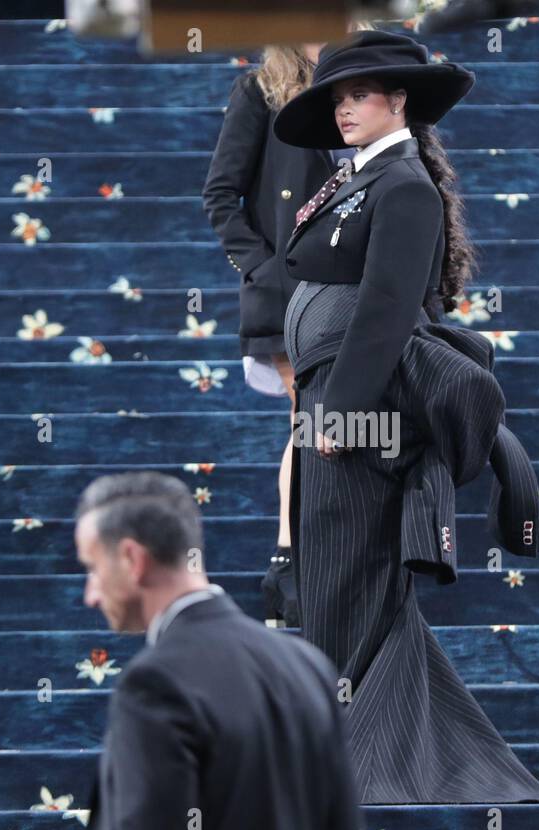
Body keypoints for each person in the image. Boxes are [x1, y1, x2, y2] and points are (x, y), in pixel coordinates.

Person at [273, 30, 539, 804]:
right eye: (336, 97)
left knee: (348, 581)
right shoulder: (362, 180)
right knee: (335, 581)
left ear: (398, 100)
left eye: (358, 95)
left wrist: (339, 411)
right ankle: (374, 759)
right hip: (330, 403)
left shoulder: (403, 185)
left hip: (360, 411)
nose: (343, 109)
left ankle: (354, 766)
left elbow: (386, 311)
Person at [75, 471, 362, 830]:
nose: (90, 594)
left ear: (132, 559)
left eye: (93, 568)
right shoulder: (309, 665)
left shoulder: (155, 684)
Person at [203, 31, 371, 629]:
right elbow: (220, 195)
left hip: (365, 288)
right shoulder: (259, 90)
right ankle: (293, 560)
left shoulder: (367, 86)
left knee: (338, 421)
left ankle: (311, 560)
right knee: (315, 417)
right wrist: (263, 268)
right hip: (290, 295)